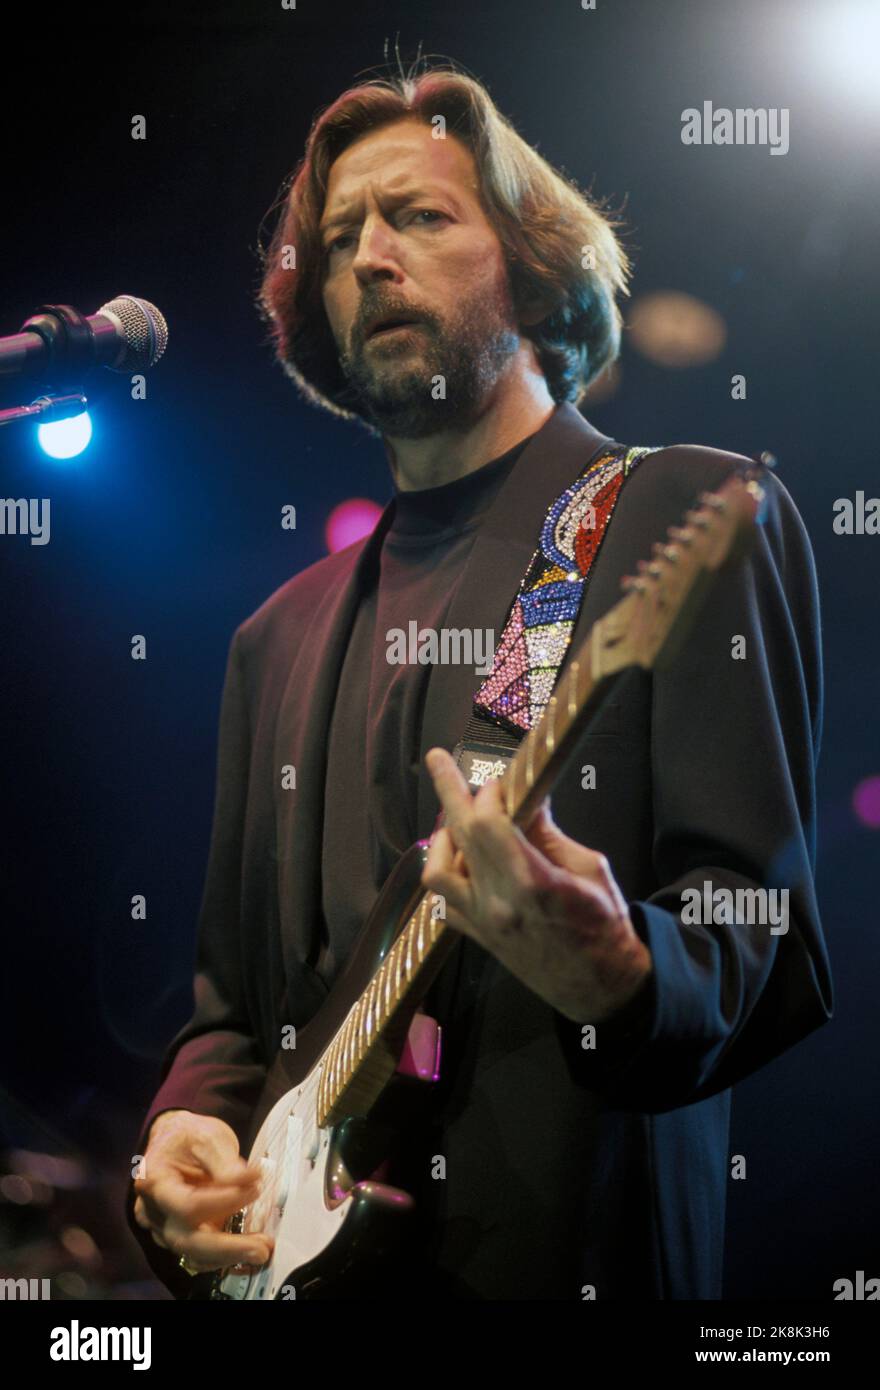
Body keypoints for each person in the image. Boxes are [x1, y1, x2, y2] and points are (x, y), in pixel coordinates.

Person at [125, 64, 832, 1300]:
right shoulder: (272, 638)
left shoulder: (676, 511)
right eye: (340, 237)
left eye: (421, 216)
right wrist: (185, 1135)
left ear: (531, 256)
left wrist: (619, 967)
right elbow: (230, 1014)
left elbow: (765, 937)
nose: (371, 258)